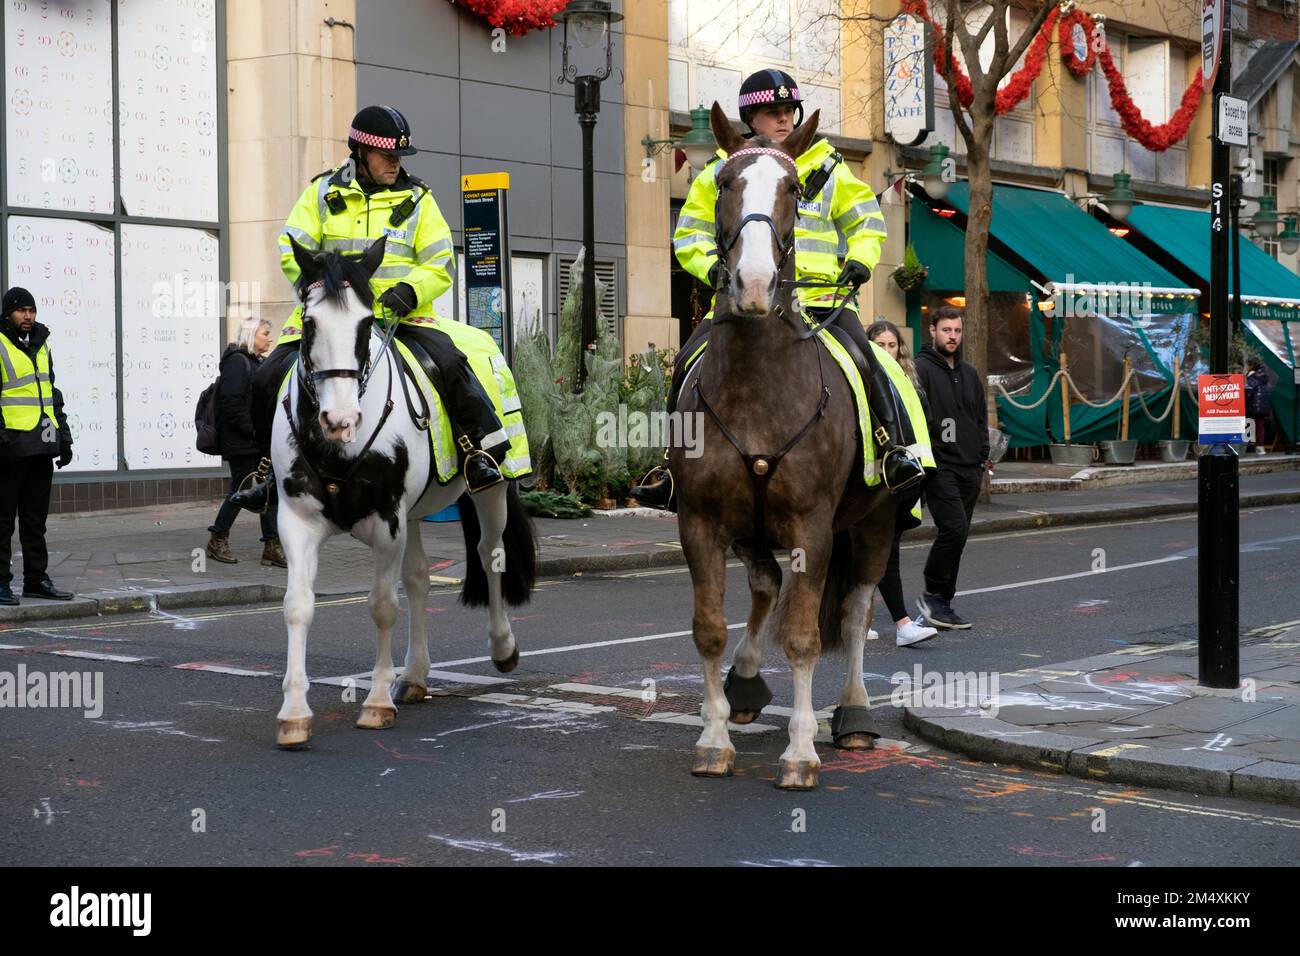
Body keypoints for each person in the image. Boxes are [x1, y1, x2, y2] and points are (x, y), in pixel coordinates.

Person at [631, 69, 923, 507]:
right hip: (737, 300)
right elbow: (688, 235)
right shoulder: (721, 171)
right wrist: (712, 270)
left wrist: (861, 259)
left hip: (820, 300)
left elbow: (867, 218)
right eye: (773, 113)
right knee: (685, 364)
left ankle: (893, 451)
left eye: (789, 111)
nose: (784, 120)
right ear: (751, 120)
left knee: (867, 363)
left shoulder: (826, 165)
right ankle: (673, 468)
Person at [231, 105, 509, 512]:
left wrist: (410, 291)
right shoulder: (321, 194)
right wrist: (325, 289)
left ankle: (476, 455)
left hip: (402, 315)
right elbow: (292, 249)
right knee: (267, 377)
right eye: (388, 156)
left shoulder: (418, 200)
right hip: (329, 318)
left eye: (400, 157)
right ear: (360, 152)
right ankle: (265, 472)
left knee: (451, 364)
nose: (396, 164)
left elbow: (441, 261)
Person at [914, 305, 988, 630]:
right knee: (954, 528)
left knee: (959, 536)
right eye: (947, 330)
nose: (953, 336)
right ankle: (932, 594)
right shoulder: (920, 369)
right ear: (933, 330)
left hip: (971, 467)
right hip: (940, 466)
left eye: (957, 331)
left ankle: (943, 602)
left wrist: (983, 453)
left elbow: (980, 418)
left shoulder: (969, 373)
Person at [866, 320, 939, 647]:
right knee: (871, 552)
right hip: (872, 479)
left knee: (883, 552)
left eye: (891, 345)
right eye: (878, 345)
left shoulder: (909, 383)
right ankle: (898, 622)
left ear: (900, 349)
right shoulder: (863, 381)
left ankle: (890, 623)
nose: (885, 351)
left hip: (898, 478)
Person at [0, 287, 74, 605]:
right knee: (3, 521)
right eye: (21, 310)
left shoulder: (42, 343)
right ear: (8, 314)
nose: (28, 316)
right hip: (10, 447)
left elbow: (51, 394)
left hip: (42, 444)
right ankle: (1, 582)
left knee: (35, 520)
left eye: (31, 310)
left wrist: (65, 437)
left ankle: (35, 580)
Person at [205, 317, 286, 568]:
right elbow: (232, 403)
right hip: (241, 440)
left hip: (257, 440)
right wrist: (252, 431)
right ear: (251, 336)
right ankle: (217, 538)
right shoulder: (237, 362)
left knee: (267, 490)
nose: (269, 339)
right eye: (265, 333)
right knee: (240, 489)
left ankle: (272, 546)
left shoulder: (256, 362)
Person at [1245, 356, 1272, 454]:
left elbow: (1249, 391)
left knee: (1250, 424)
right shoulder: (1264, 376)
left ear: (1251, 366)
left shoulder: (1252, 376)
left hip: (1253, 405)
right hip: (1263, 406)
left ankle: (1249, 447)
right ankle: (1260, 447)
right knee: (1260, 426)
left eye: (1247, 365)